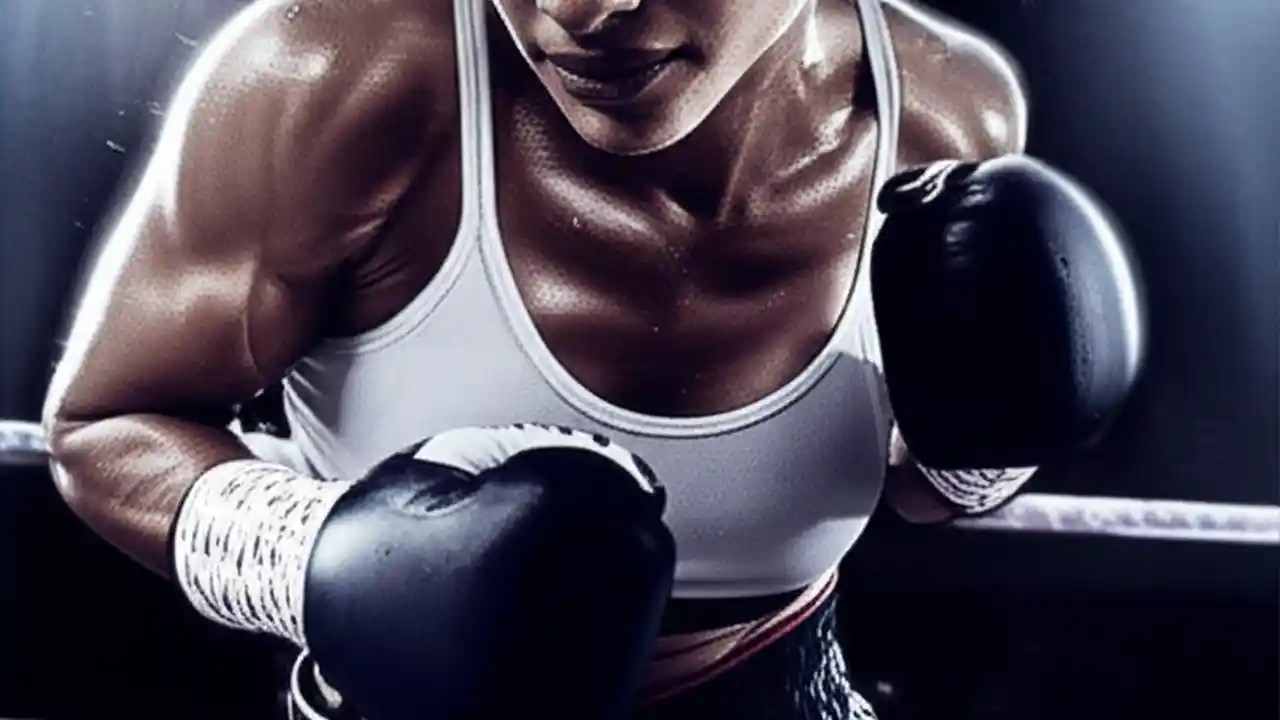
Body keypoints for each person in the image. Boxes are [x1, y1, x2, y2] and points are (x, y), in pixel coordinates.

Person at [41, 0, 1144, 718]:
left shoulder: (947, 112)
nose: (580, 10)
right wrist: (324, 558)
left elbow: (913, 489)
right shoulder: (336, 72)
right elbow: (107, 428)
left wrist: (981, 456)